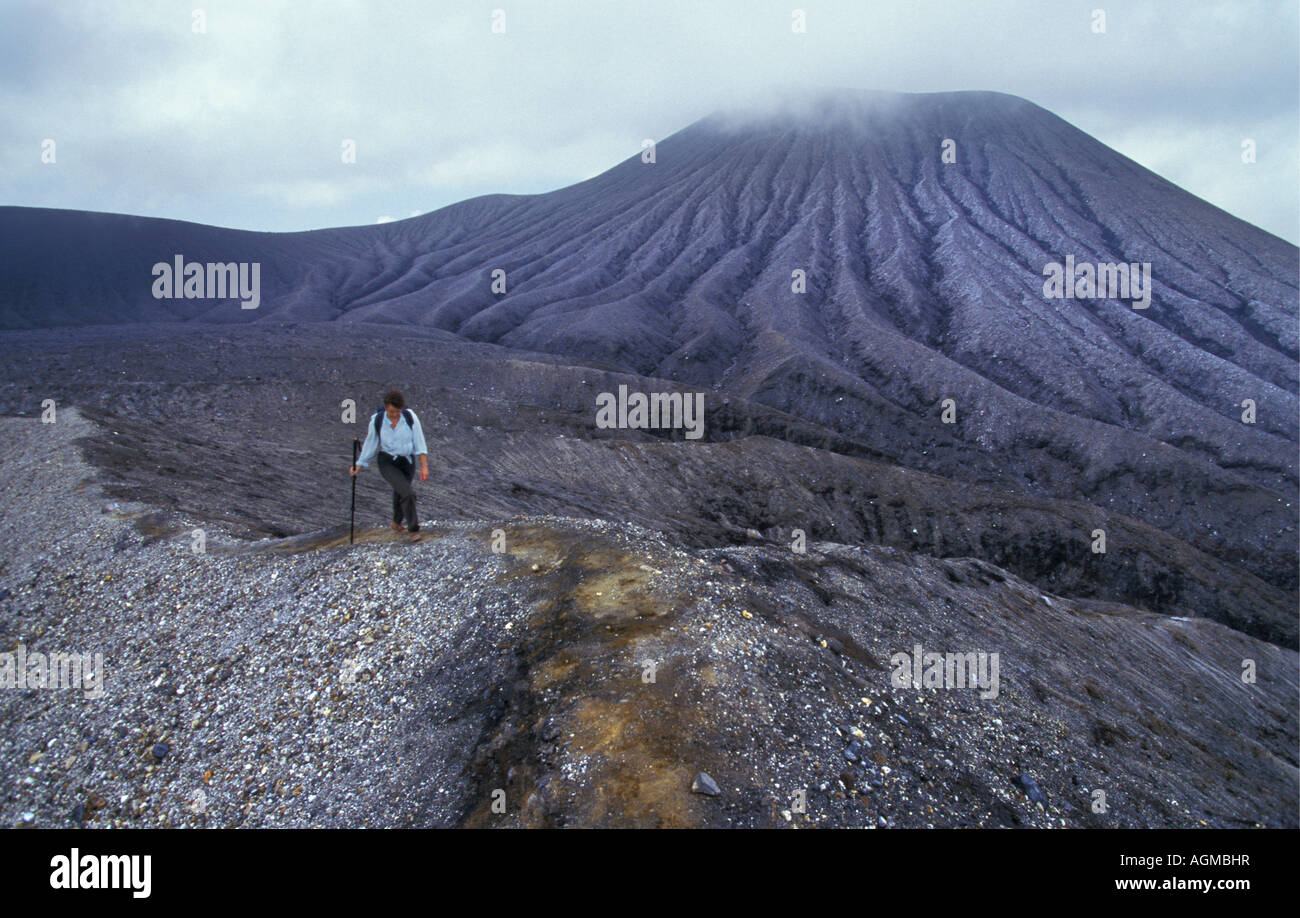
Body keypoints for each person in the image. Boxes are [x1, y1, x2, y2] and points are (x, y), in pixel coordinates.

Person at [350, 389, 429, 542]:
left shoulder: (410, 417)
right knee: (407, 492)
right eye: (392, 411)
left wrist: (424, 465)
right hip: (387, 461)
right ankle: (414, 530)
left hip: (407, 461)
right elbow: (370, 443)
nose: (395, 415)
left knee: (400, 491)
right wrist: (358, 465)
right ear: (386, 407)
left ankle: (396, 522)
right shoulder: (377, 420)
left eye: (398, 411)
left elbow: (420, 441)